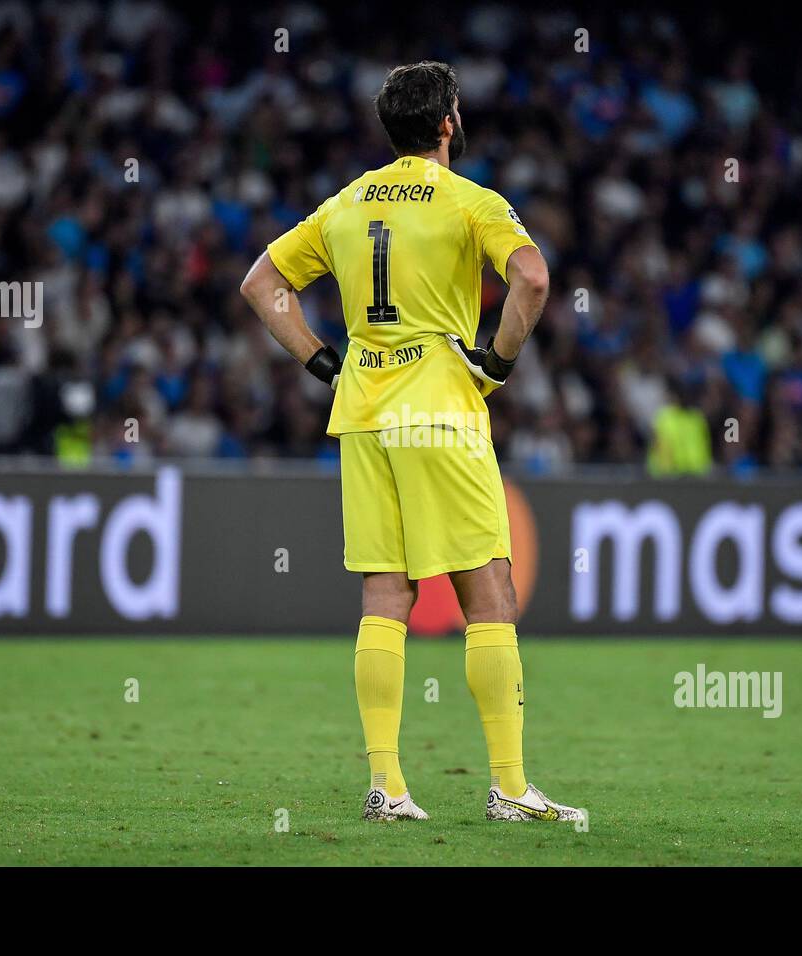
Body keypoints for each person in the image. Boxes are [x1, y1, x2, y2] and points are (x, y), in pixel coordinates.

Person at [240, 61, 579, 823]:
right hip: (440, 408)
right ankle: (511, 787)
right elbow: (531, 278)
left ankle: (388, 787)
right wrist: (500, 359)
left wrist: (322, 360)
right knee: (489, 588)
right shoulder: (470, 201)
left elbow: (261, 284)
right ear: (450, 122)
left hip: (362, 410)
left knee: (385, 593)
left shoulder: (345, 203)